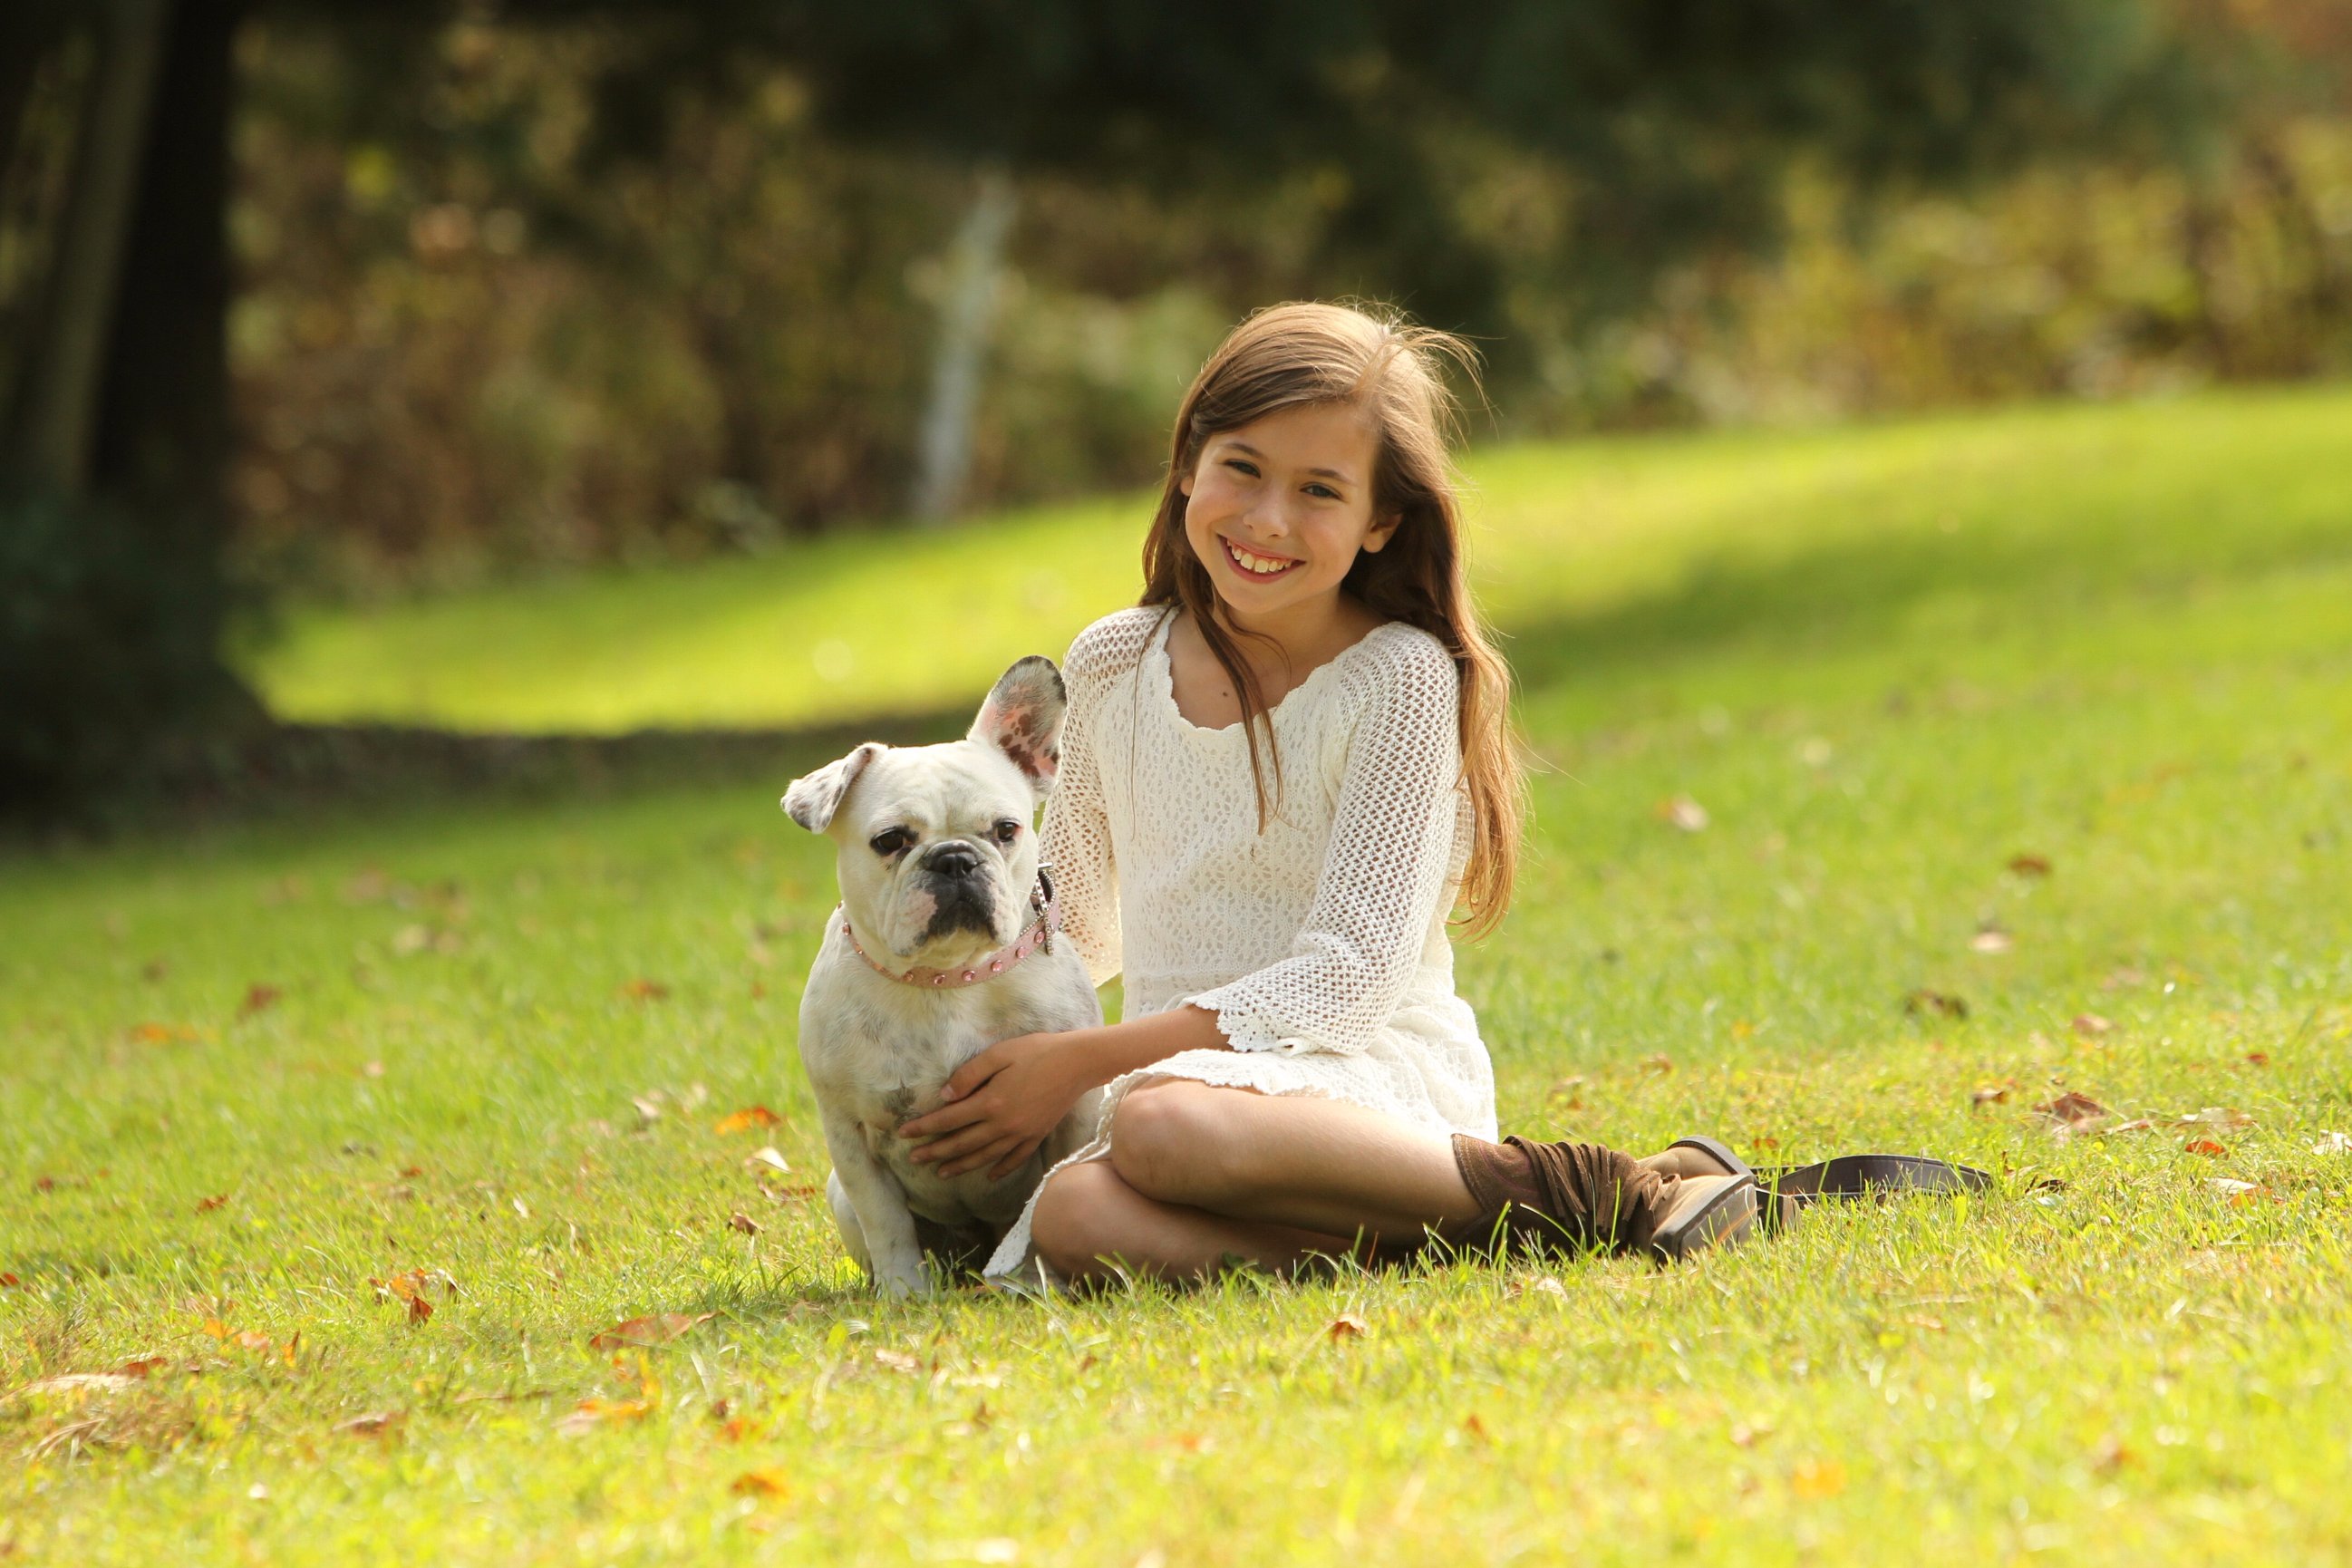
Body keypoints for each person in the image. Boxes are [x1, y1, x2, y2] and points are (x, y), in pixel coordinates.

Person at [895, 301, 1757, 1288]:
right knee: (1078, 1212)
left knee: (1162, 1119)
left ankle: (1593, 1189)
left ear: (1380, 522)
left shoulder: (1399, 676)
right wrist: (917, 981)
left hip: (1359, 1084)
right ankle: (1464, 1244)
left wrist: (1082, 1063)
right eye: (1243, 469)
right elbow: (1078, 924)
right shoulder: (1112, 664)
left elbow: (1346, 977)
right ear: (1188, 465)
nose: (1268, 520)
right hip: (1176, 1100)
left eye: (1320, 491)